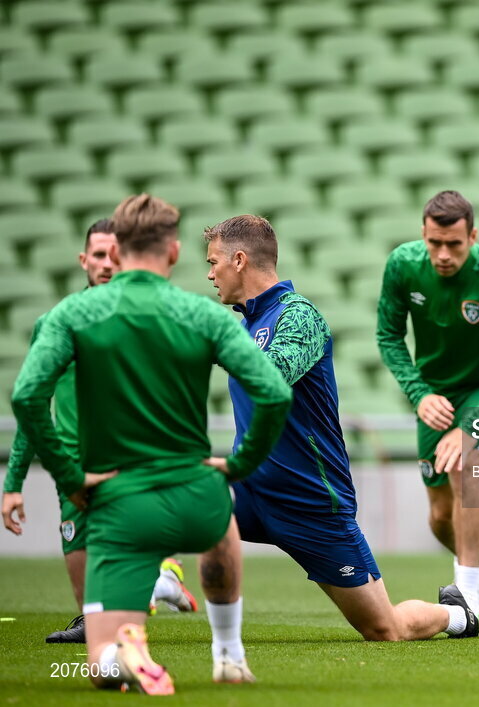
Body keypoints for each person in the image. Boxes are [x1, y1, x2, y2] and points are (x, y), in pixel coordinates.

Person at [11, 195, 293, 695]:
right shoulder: (201, 316)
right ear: (174, 251)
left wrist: (70, 477)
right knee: (222, 528)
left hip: (119, 504)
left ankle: (125, 651)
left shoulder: (74, 313)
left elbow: (28, 396)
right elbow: (273, 391)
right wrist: (238, 464)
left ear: (115, 252)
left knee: (97, 665)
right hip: (198, 498)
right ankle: (228, 653)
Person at [201, 214, 479, 652]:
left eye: (214, 261)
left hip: (311, 503)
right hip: (250, 490)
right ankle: (117, 614)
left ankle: (458, 614)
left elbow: (271, 377)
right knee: (169, 502)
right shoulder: (245, 324)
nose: (209, 272)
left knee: (383, 628)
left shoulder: (299, 316)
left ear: (239, 260)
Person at [3, 219, 198, 645]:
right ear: (83, 260)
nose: (107, 263)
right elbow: (32, 403)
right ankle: (157, 585)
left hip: (129, 463)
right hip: (73, 471)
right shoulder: (54, 324)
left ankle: (136, 617)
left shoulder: (148, 320)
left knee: (115, 600)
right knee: (89, 602)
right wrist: (13, 482)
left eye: (115, 254)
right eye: (98, 255)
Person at [377, 191, 479, 617]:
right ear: (423, 236)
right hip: (434, 395)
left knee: (464, 468)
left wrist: (471, 426)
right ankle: (469, 554)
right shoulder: (402, 266)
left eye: (454, 245)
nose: (443, 254)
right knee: (440, 517)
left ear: (473, 236)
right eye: (434, 243)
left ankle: (468, 590)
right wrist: (419, 393)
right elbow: (388, 336)